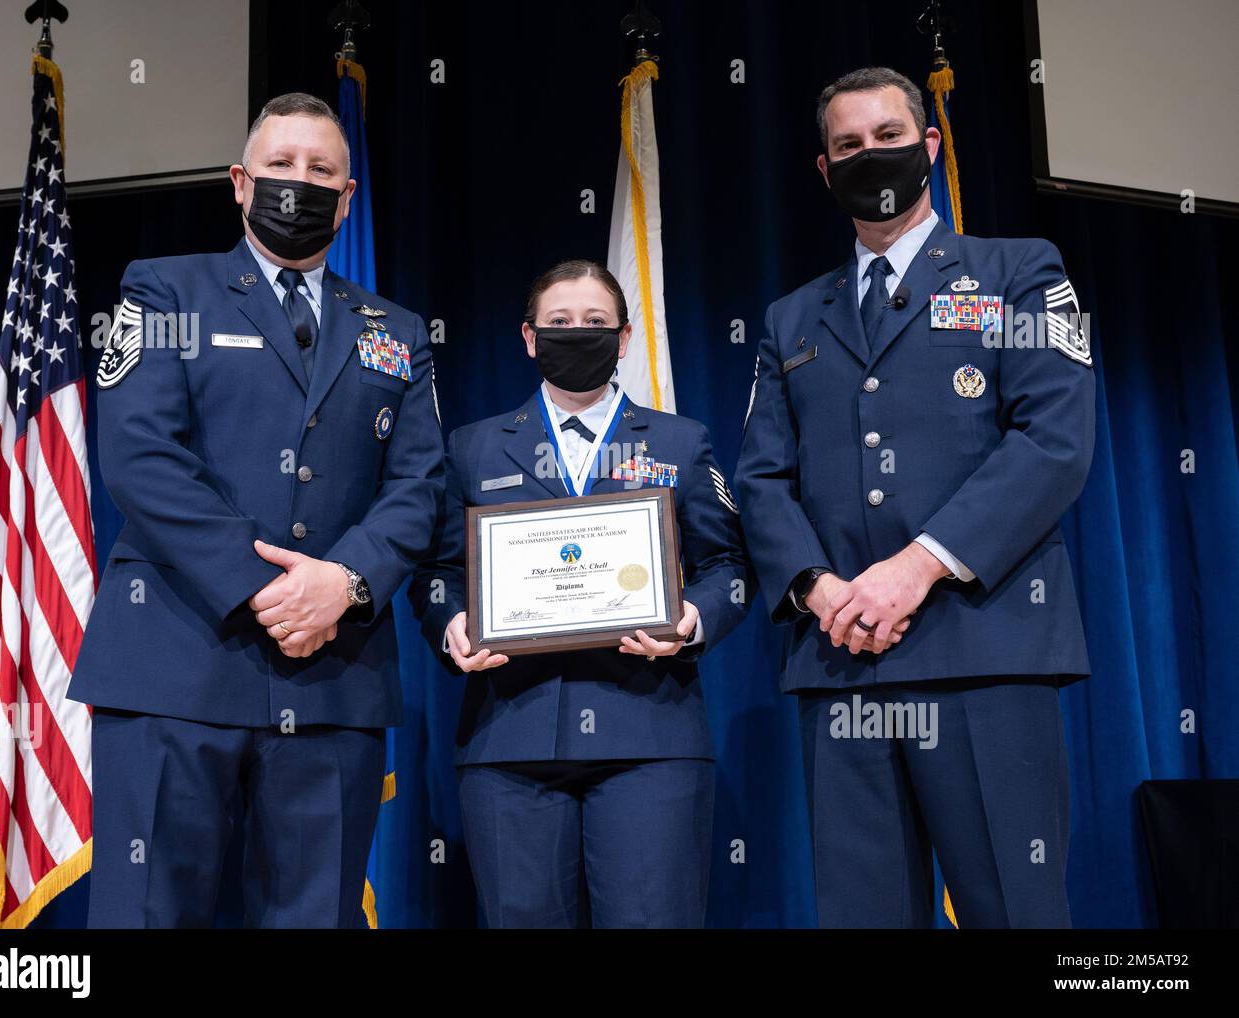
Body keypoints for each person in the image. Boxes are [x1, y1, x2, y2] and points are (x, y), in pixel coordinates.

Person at [69, 93, 444, 927]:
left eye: (321, 170)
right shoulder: (164, 290)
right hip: (176, 661)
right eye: (280, 164)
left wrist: (344, 583)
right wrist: (267, 587)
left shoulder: (397, 330)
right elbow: (140, 455)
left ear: (347, 198)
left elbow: (420, 485)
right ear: (241, 183)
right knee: (147, 914)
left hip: (332, 676)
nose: (298, 182)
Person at [734, 67, 1095, 928]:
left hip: (984, 650)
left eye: (889, 136)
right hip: (841, 659)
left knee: (1015, 909)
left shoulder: (1019, 271)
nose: (871, 155)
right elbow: (761, 479)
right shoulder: (790, 320)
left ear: (929, 145)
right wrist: (820, 588)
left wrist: (917, 568)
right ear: (825, 169)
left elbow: (1054, 441)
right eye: (848, 145)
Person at [409, 260, 749, 928]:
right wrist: (450, 623)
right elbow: (436, 570)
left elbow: (731, 565)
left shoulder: (680, 442)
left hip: (649, 734)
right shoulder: (474, 448)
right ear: (529, 337)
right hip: (510, 737)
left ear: (624, 338)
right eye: (559, 321)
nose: (577, 332)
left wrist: (692, 618)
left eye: (594, 321)